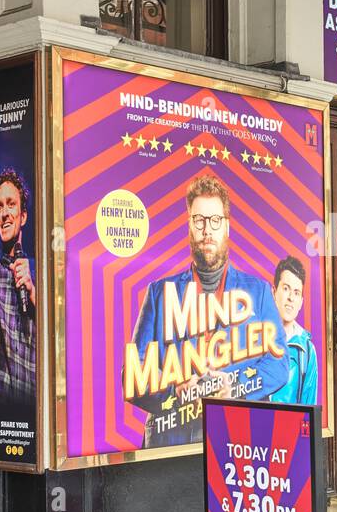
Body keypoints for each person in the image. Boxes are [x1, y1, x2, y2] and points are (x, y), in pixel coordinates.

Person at [126, 175, 288, 446]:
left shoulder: (259, 291)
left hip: (239, 436)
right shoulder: (158, 292)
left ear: (227, 227)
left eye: (215, 220)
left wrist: (236, 388)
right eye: (199, 221)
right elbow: (132, 375)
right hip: (172, 439)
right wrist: (174, 391)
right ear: (189, 226)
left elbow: (279, 364)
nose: (207, 231)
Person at [0, 168, 36, 402]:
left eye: (10, 205)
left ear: (23, 216)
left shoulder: (42, 271)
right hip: (4, 401)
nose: (5, 214)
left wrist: (33, 290)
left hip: (36, 398)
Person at [268, 256, 319, 405]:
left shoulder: (307, 350)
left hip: (289, 427)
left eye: (296, 292)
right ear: (274, 291)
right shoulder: (254, 338)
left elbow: (309, 406)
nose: (291, 297)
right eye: (286, 289)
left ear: (301, 302)